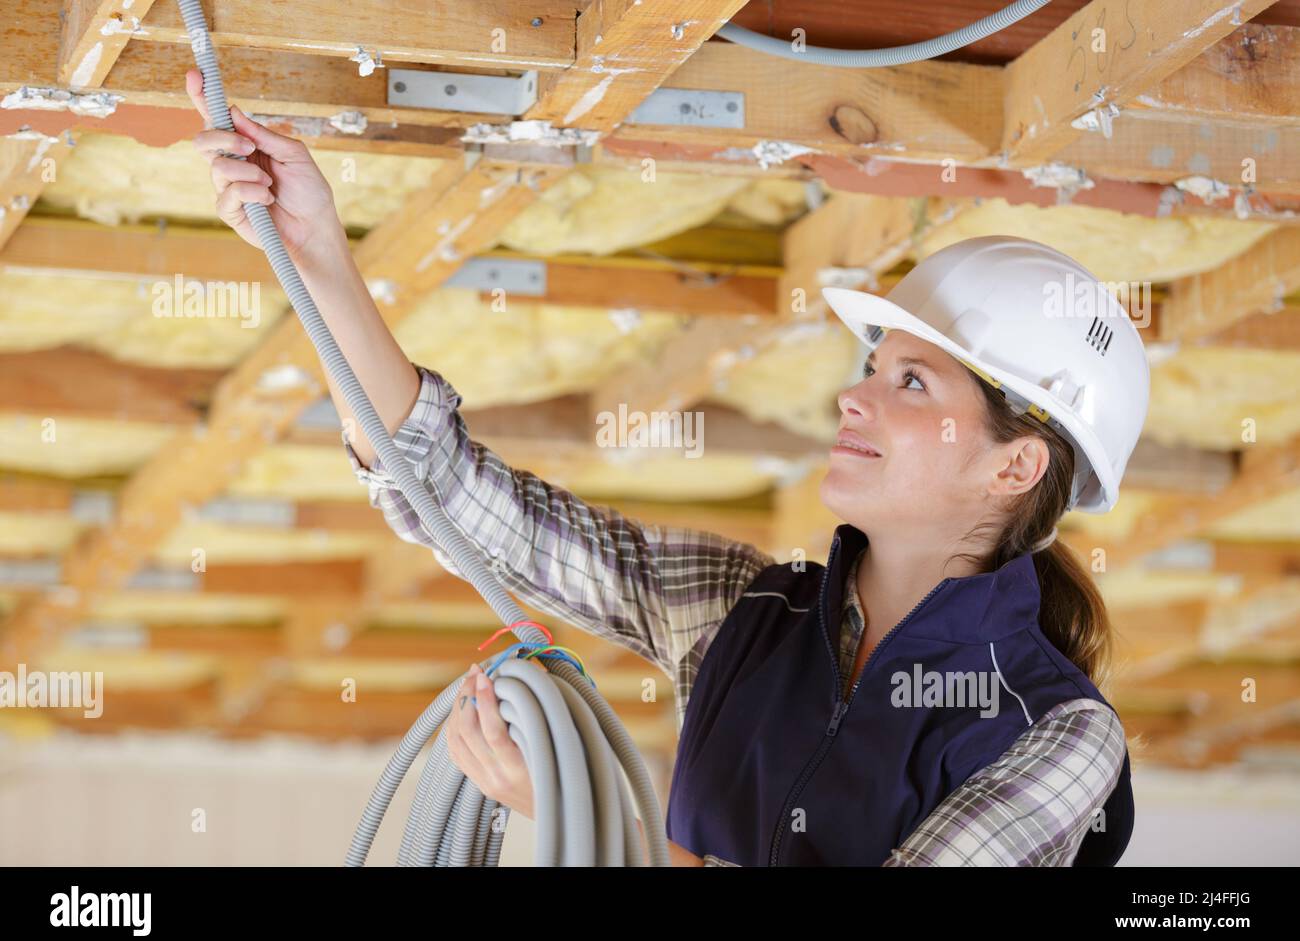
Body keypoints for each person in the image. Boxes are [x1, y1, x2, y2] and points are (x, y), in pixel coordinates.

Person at [185, 72, 1145, 866]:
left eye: (912, 381)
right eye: (869, 369)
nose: (855, 398)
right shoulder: (742, 614)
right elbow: (453, 495)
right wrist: (318, 262)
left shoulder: (1056, 736)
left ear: (1015, 463)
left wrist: (594, 822)